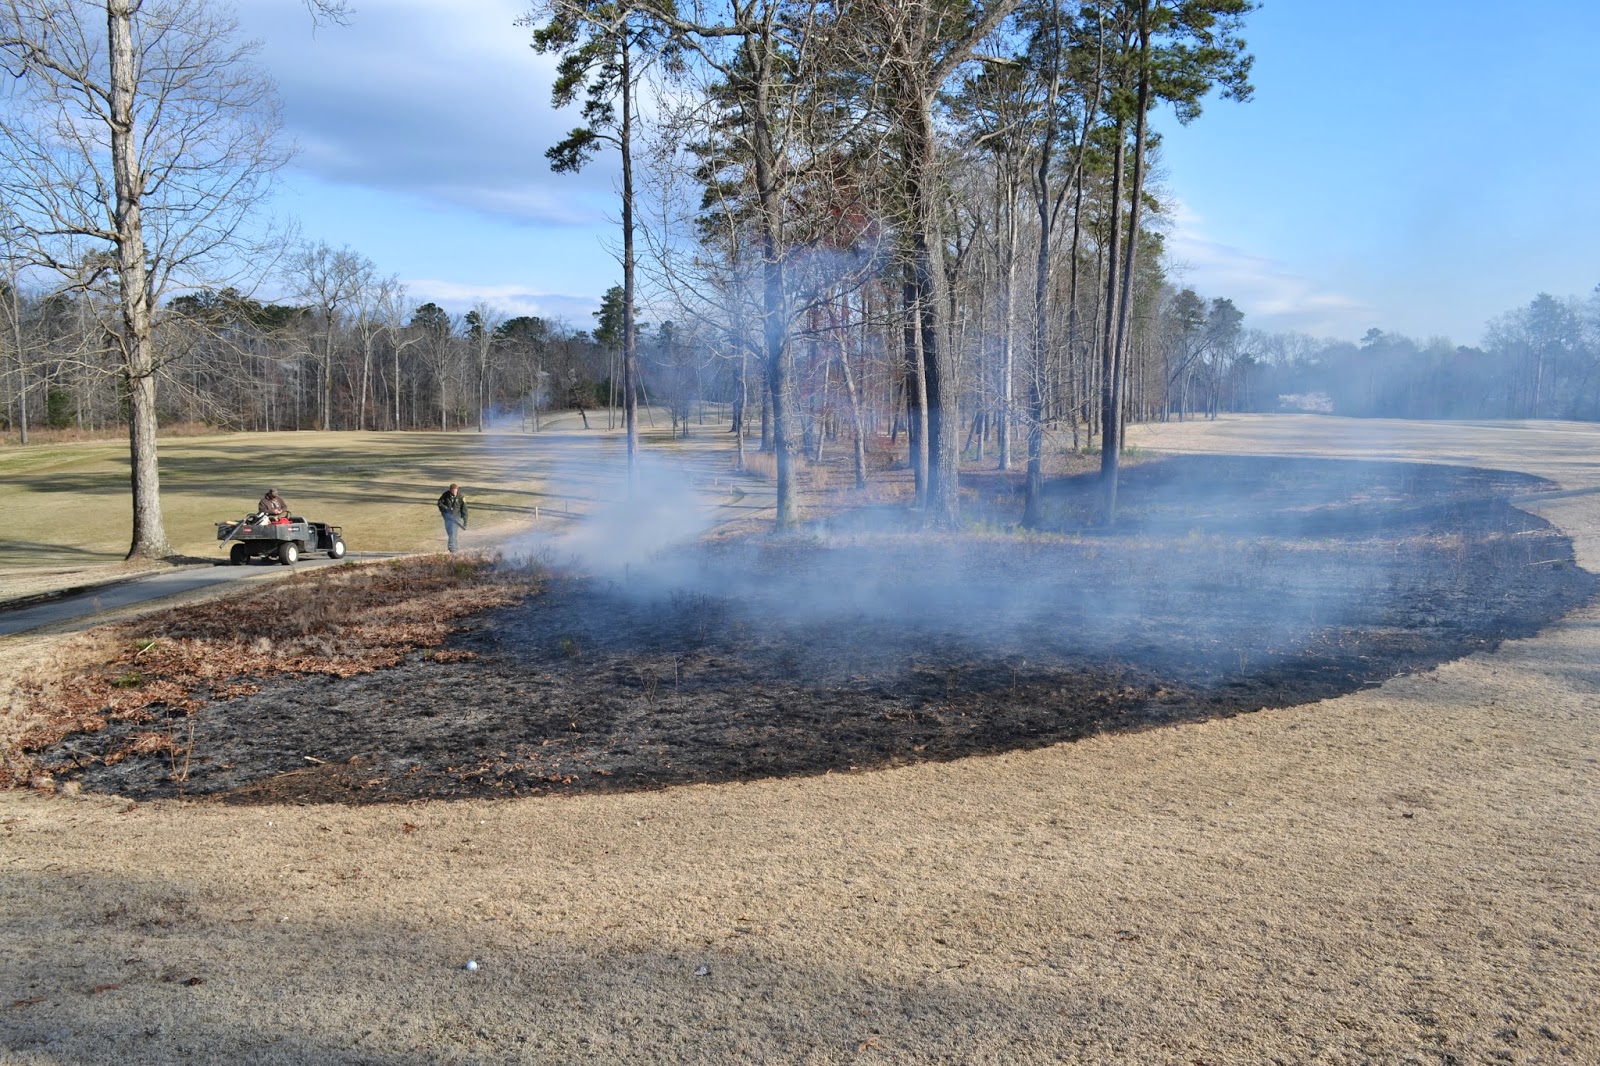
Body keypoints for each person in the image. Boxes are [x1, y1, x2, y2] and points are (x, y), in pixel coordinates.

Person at [437, 483, 468, 552]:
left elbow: (464, 510)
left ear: (457, 490)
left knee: (453, 532)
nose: (454, 493)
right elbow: (439, 503)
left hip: (456, 517)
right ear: (450, 490)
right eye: (453, 491)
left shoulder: (461, 497)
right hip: (447, 518)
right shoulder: (445, 495)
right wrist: (446, 508)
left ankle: (452, 548)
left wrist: (465, 522)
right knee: (450, 533)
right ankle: (455, 548)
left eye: (455, 491)